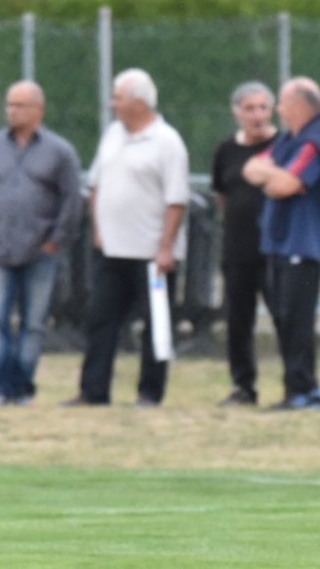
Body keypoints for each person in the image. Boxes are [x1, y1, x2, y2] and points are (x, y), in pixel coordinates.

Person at [62, 68, 190, 408]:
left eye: (118, 98)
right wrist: (99, 229)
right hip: (112, 250)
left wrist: (166, 248)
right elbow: (96, 185)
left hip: (151, 254)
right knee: (100, 320)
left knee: (154, 325)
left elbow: (176, 200)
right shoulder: (112, 135)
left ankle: (150, 392)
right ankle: (93, 391)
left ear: (138, 102)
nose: (112, 104)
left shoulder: (167, 142)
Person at [0, 80, 83, 408]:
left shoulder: (60, 152)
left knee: (32, 325)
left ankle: (22, 389)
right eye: (9, 105)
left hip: (40, 253)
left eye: (20, 105)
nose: (12, 111)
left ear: (38, 110)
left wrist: (54, 242)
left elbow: (71, 201)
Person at [242, 76, 320, 411]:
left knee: (298, 322)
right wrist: (275, 178)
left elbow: (286, 185)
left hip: (302, 247)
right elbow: (251, 169)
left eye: (282, 104)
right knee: (284, 320)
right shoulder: (288, 141)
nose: (278, 111)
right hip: (278, 245)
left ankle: (303, 392)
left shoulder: (314, 143)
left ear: (300, 105)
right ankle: (300, 389)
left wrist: (274, 178)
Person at [210, 81, 280, 406]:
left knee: (285, 316)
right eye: (250, 108)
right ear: (237, 112)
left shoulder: (282, 146)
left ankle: (297, 383)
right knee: (238, 321)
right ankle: (243, 386)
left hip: (275, 249)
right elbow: (222, 194)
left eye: (263, 107)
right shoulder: (227, 150)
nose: (257, 115)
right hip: (238, 251)